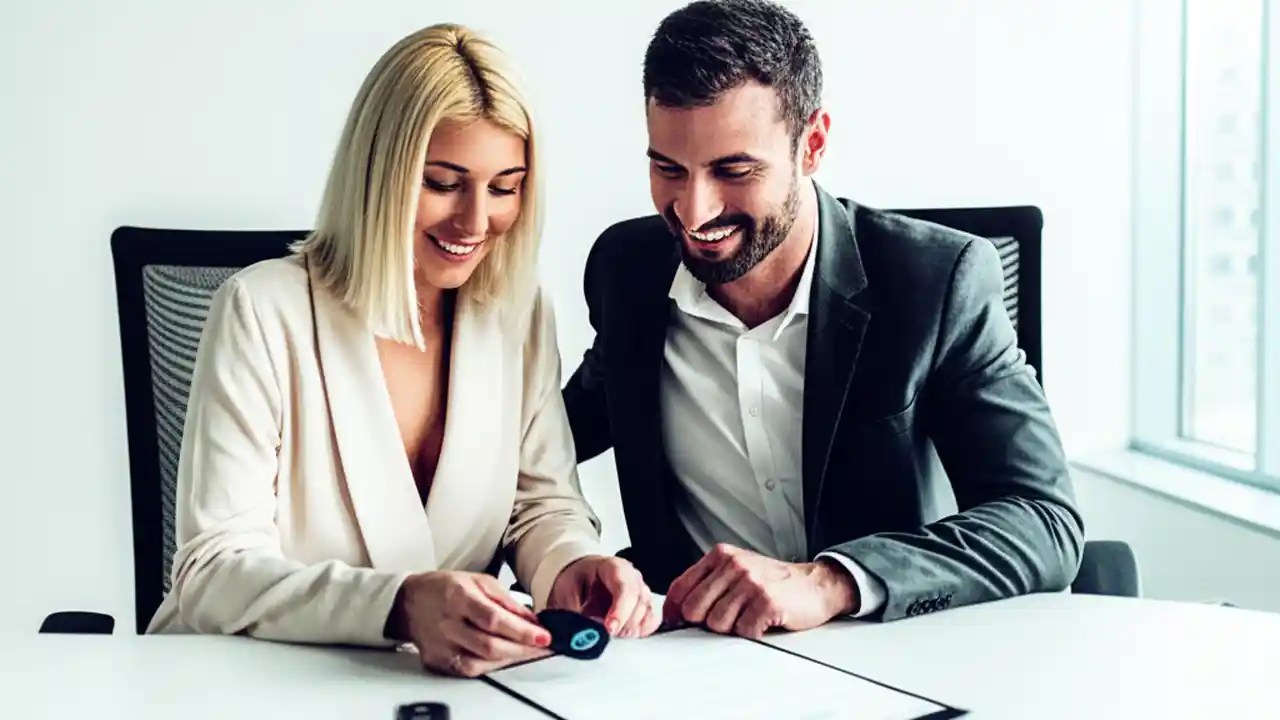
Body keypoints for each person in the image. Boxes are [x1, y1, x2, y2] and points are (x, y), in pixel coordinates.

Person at [147, 23, 658, 677]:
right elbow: (211, 570)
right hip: (244, 683)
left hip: (435, 688)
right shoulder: (261, 309)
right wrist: (397, 605)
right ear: (377, 174)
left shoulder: (516, 310)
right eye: (444, 183)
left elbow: (541, 501)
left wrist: (570, 565)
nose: (475, 223)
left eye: (504, 187)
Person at [563, 0, 1084, 639]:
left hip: (886, 654)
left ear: (811, 144)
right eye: (668, 169)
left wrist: (832, 581)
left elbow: (1043, 520)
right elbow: (548, 443)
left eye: (734, 170)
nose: (693, 212)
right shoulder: (628, 271)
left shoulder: (937, 282)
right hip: (694, 661)